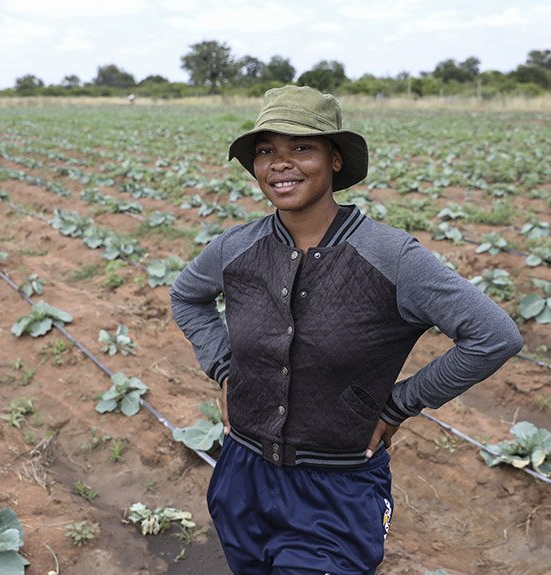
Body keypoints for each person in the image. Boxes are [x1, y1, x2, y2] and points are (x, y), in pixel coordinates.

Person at [170, 85, 522, 575]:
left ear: (335, 159)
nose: (280, 164)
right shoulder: (236, 247)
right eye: (266, 150)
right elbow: (186, 296)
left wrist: (398, 406)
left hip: (334, 491)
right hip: (241, 475)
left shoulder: (391, 256)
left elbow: (494, 336)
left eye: (302, 148)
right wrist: (225, 369)